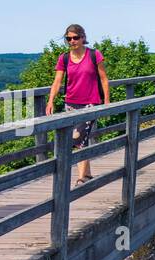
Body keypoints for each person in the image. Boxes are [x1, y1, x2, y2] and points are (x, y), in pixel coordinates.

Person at [45, 24, 111, 185]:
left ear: (83, 38)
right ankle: (87, 174)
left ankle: (81, 178)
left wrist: (107, 101)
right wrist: (51, 100)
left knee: (77, 138)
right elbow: (57, 81)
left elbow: (103, 79)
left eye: (75, 38)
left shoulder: (94, 55)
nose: (72, 41)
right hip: (71, 103)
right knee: (82, 138)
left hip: (91, 102)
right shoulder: (64, 58)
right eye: (69, 38)